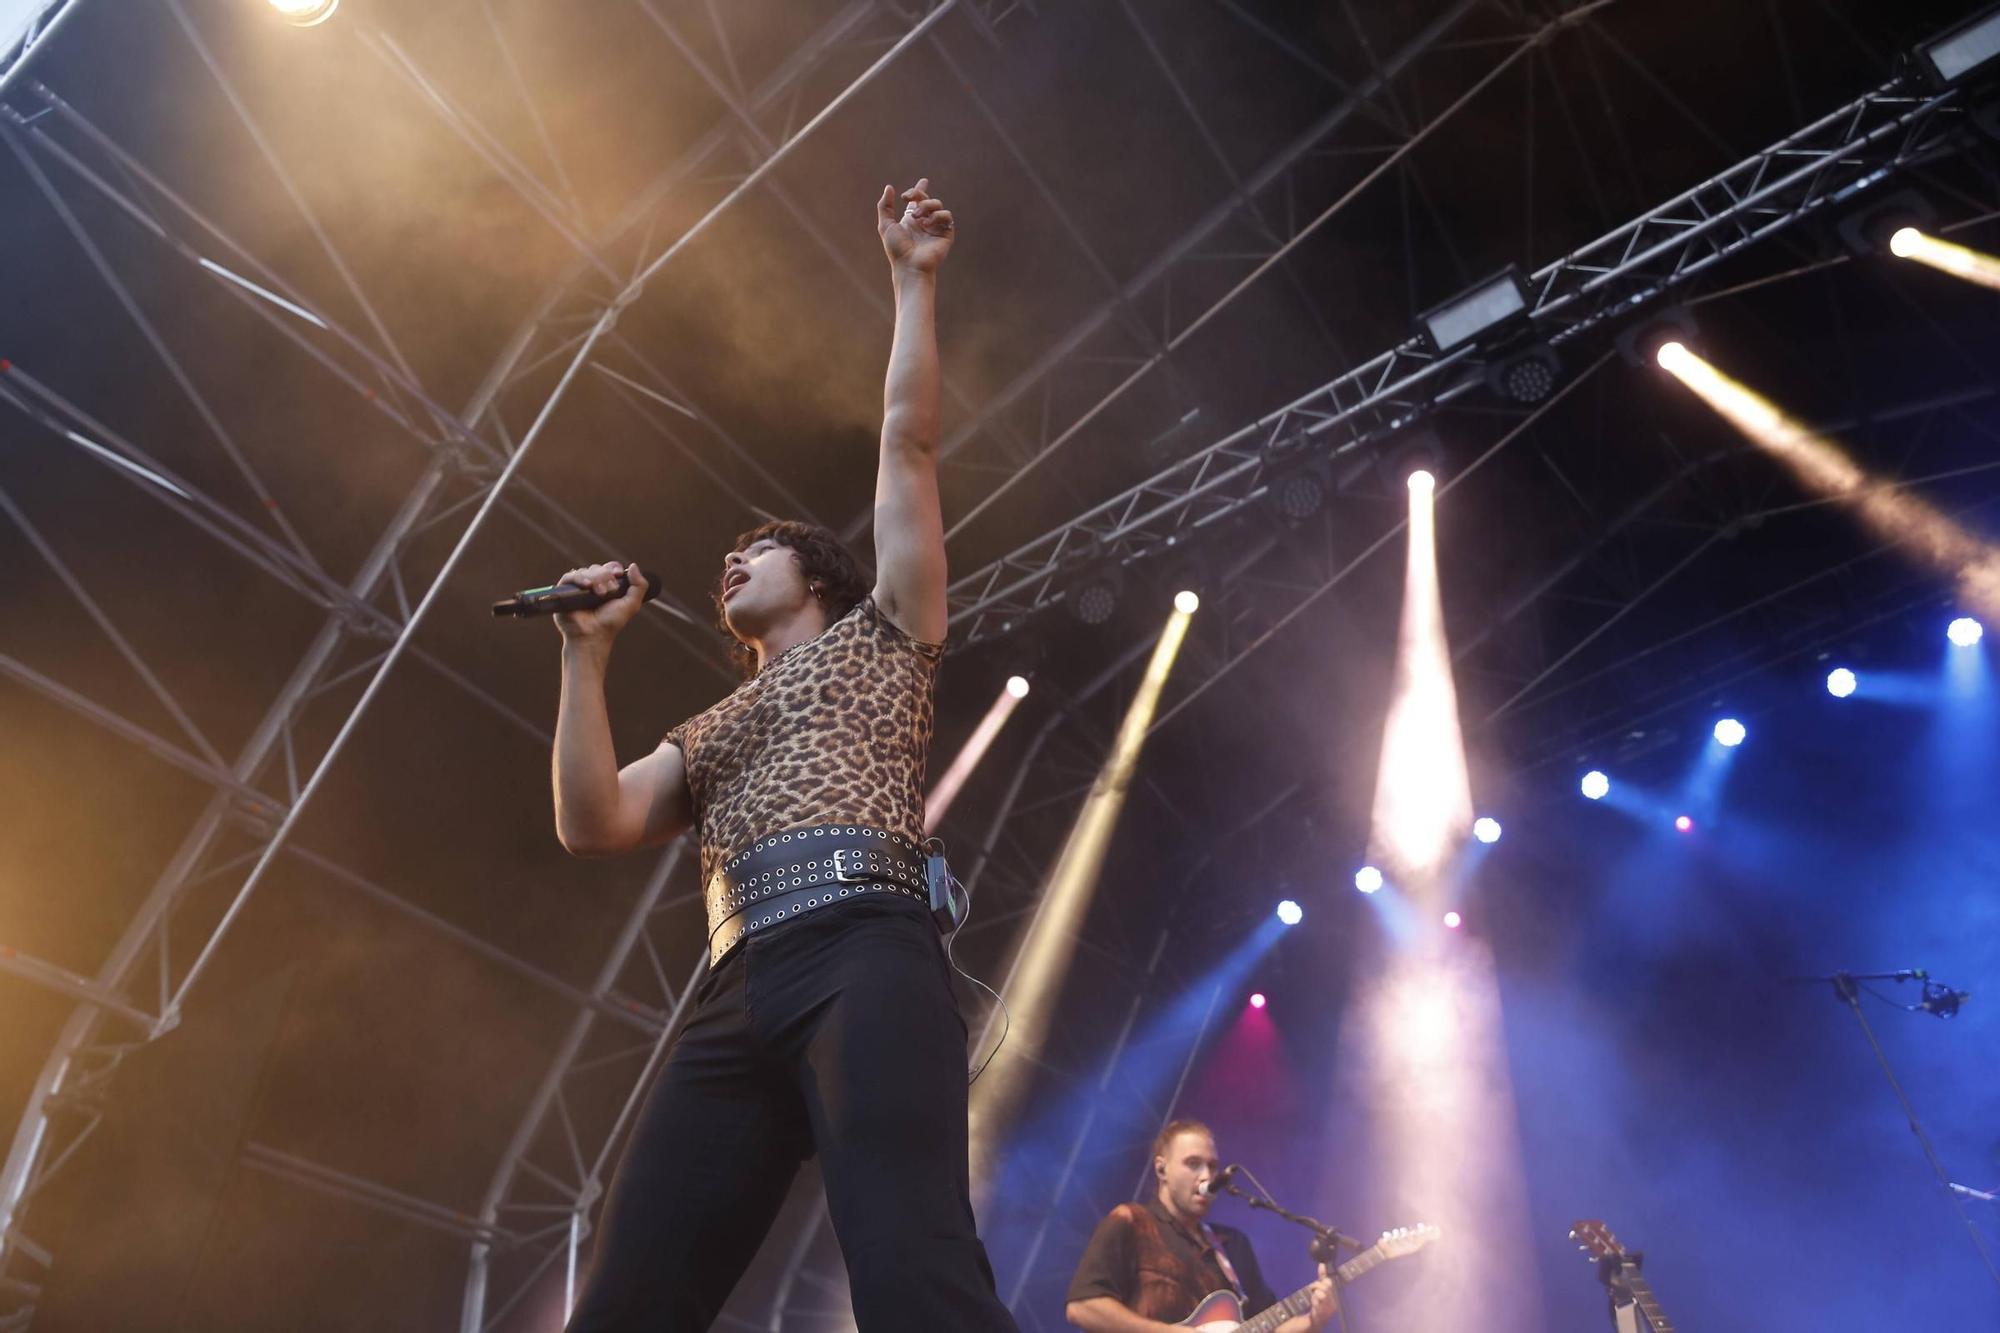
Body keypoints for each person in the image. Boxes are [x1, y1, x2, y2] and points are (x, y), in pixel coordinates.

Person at [548, 177, 1018, 1332]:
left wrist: (911, 278)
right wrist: (581, 656)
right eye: (725, 558)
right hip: (731, 982)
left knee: (909, 1269)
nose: (730, 563)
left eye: (757, 551)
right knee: (623, 1297)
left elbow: (907, 442)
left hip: (862, 942)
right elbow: (591, 820)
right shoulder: (706, 729)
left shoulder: (885, 632)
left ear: (816, 576)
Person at [1065, 1120, 1337, 1332]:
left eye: (1212, 1166)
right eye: (1193, 1164)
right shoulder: (1131, 1222)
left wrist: (1314, 1321)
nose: (1207, 1176)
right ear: (1162, 1170)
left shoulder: (1232, 1244)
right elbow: (1083, 1307)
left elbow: (1270, 1326)